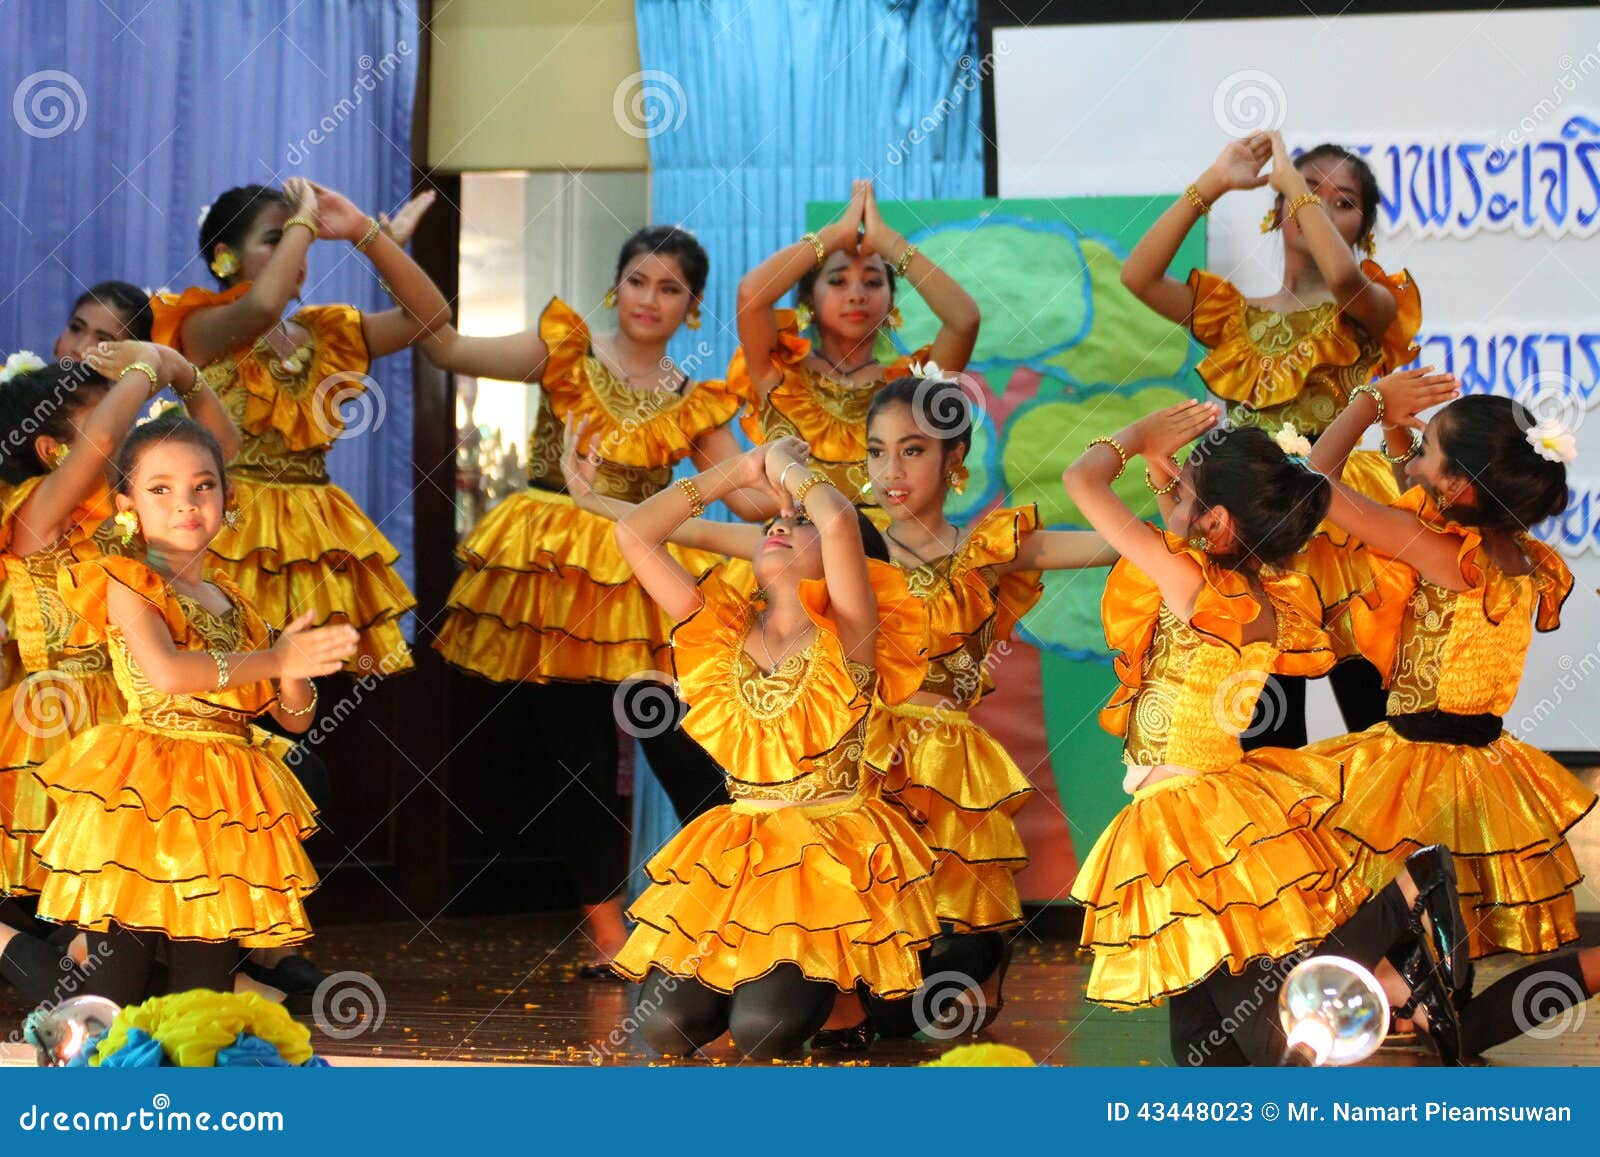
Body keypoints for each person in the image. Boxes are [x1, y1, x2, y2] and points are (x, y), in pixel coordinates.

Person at [424, 227, 750, 976]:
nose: (650, 299)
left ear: (692, 307)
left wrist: (799, 474)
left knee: (685, 749)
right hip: (557, 574)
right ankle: (611, 936)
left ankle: (727, 916)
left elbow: (752, 487)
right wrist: (380, 244)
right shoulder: (563, 351)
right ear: (616, 286)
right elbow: (446, 351)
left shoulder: (689, 400)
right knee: (580, 761)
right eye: (639, 280)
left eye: (670, 289)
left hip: (644, 574)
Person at [605, 436, 940, 1058]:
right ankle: (817, 1000)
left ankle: (844, 1002)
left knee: (764, 1032)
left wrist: (784, 464)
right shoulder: (717, 627)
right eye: (777, 520)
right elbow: (635, 532)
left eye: (799, 523)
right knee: (665, 1027)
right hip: (741, 848)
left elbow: (839, 519)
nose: (782, 525)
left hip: (825, 857)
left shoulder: (851, 633)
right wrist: (739, 468)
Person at [29, 416, 356, 1005]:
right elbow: (170, 674)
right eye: (160, 489)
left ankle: (188, 1090)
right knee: (118, 989)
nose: (185, 503)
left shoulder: (235, 599)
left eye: (202, 487)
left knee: (203, 990)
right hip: (143, 795)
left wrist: (295, 673)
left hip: (226, 801)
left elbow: (294, 720)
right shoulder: (129, 580)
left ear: (228, 499)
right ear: (127, 503)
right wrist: (274, 656)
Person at [1121, 130, 1422, 745]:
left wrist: (1296, 189)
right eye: (1308, 190)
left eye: (1343, 202)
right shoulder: (1235, 316)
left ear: (1362, 230)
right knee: (1261, 723)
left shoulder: (1372, 302)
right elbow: (1139, 277)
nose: (1318, 205)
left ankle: (1396, 841)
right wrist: (1213, 181)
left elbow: (1342, 282)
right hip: (1254, 521)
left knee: (1377, 713)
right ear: (1277, 209)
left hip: (1337, 521)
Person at [1306, 378, 1594, 960]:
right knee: (1439, 892)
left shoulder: (1439, 551)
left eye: (1427, 449)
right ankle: (1422, 988)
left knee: (1371, 879)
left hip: (1415, 762)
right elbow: (1406, 504)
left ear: (1459, 485)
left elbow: (1316, 482)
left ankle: (1391, 986)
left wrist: (1370, 401)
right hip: (1484, 761)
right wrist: (1398, 437)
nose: (1415, 459)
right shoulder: (1519, 554)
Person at [150, 178, 450, 672]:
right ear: (225, 257)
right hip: (226, 532)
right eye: (278, 237)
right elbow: (262, 306)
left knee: (306, 696)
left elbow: (431, 316)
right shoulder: (199, 325)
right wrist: (306, 218)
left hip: (310, 536)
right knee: (239, 687)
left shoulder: (323, 333)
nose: (299, 247)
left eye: (303, 237)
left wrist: (362, 232)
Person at [731, 180, 979, 520]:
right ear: (808, 299)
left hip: (888, 566)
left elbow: (964, 320)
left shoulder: (913, 388)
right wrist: (834, 235)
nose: (857, 294)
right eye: (838, 281)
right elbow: (750, 296)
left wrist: (890, 244)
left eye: (874, 282)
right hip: (793, 562)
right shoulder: (778, 373)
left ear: (891, 302)